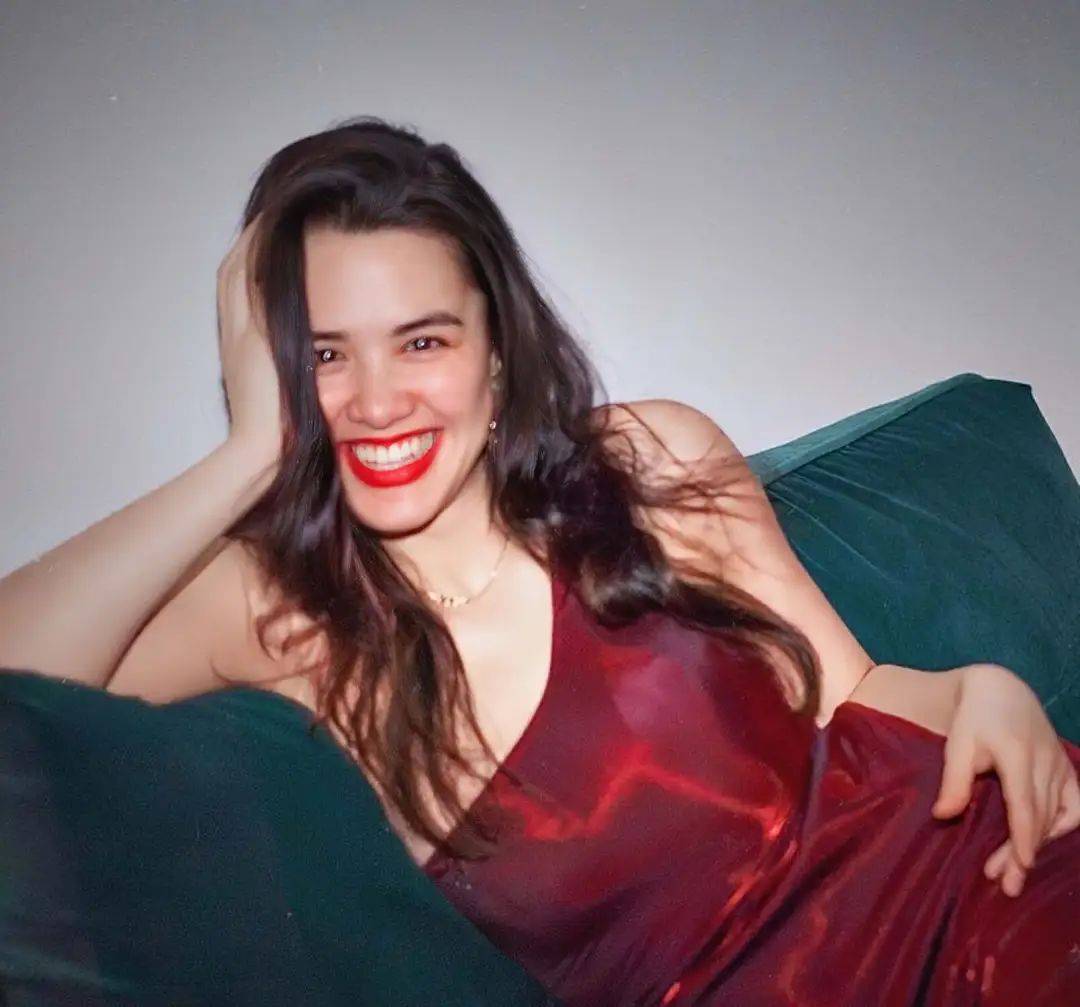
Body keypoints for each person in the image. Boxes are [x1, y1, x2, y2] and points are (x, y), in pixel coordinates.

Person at [1, 115, 1077, 1005]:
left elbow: (853, 692)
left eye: (422, 340)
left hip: (989, 875)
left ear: (498, 350)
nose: (376, 399)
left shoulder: (650, 459)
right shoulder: (280, 613)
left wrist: (977, 688)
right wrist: (251, 452)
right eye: (327, 353)